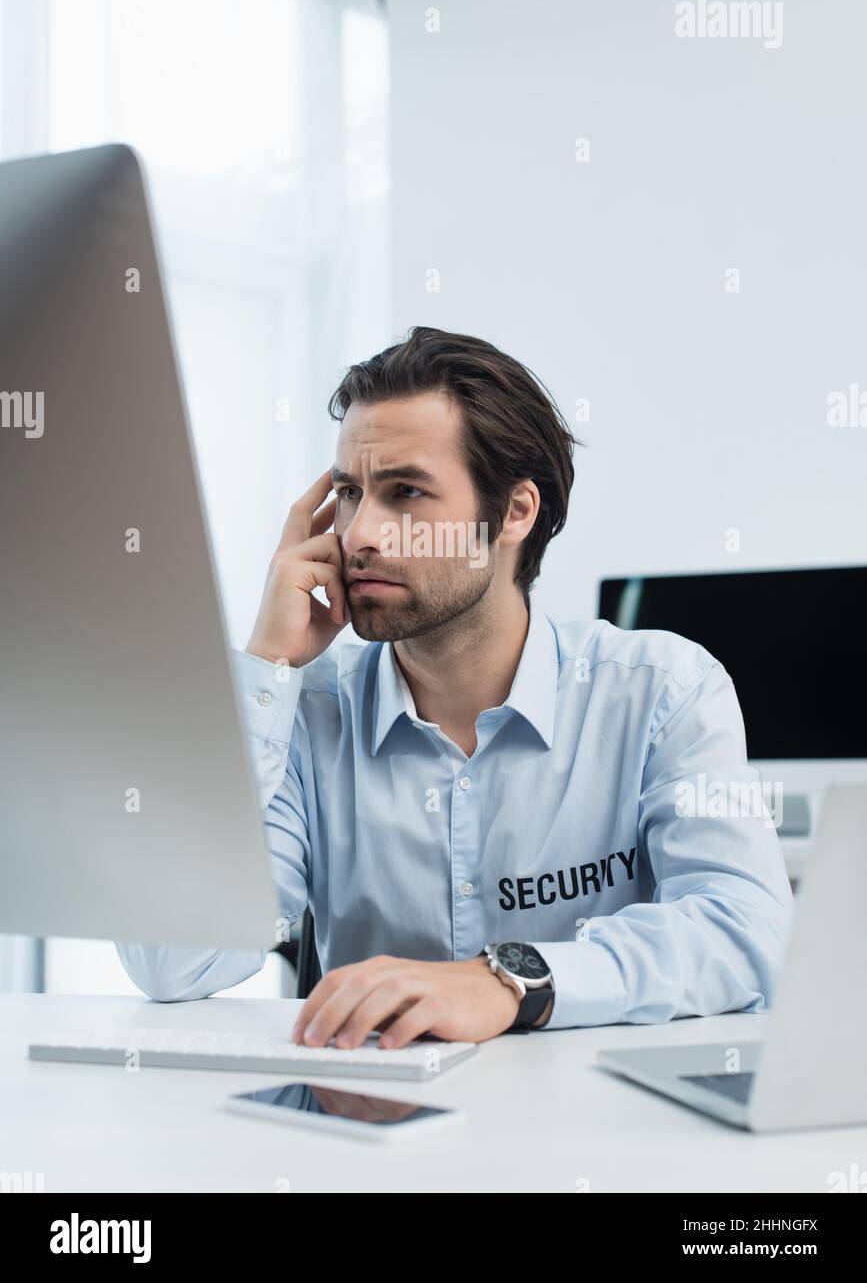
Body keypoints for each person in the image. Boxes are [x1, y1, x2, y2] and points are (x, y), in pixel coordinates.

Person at [117, 326, 793, 1048]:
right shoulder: (304, 710)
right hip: (366, 1133)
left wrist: (508, 981)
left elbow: (743, 935)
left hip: (602, 1132)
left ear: (514, 512)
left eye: (405, 492)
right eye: (348, 494)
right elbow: (171, 963)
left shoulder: (661, 693)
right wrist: (265, 671)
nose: (360, 535)